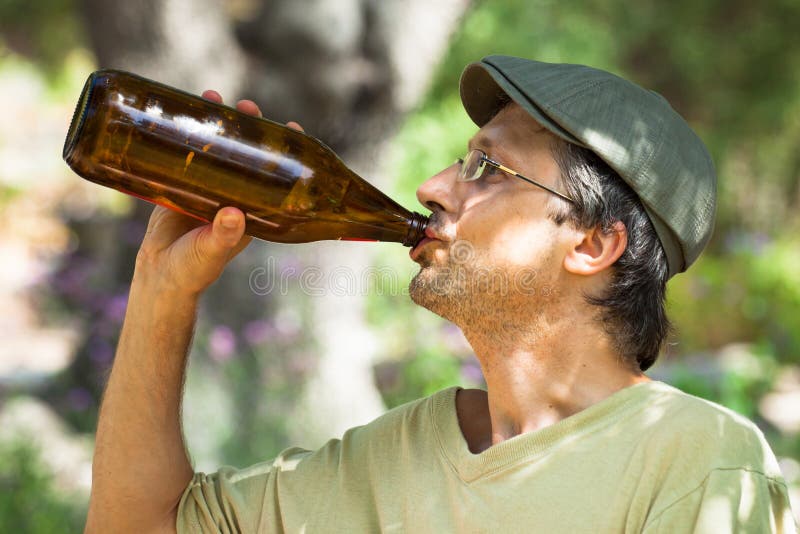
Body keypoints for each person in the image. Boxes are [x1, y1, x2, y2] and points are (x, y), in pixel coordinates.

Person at [84, 56, 797, 533]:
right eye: (465, 159)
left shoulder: (696, 460)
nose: (431, 187)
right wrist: (162, 286)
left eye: (489, 168)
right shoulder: (389, 458)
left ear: (591, 244)